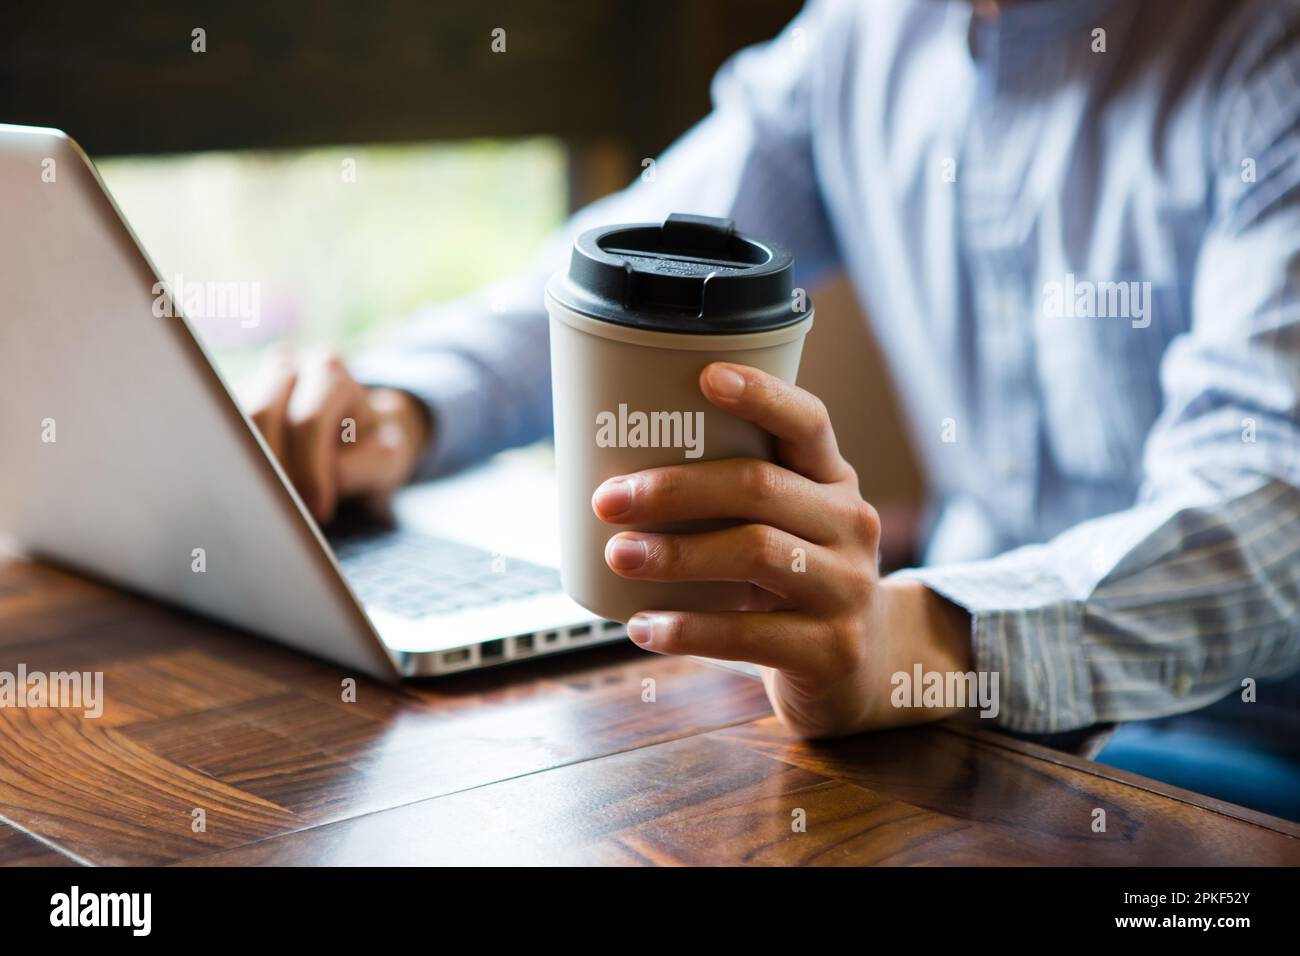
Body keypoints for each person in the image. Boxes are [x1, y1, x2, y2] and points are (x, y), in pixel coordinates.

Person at [241, 0, 1300, 740]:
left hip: (1229, 750)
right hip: (941, 727)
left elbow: (1271, 508)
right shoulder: (861, 33)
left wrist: (912, 640)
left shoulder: (1269, 54)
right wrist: (398, 407)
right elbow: (622, 265)